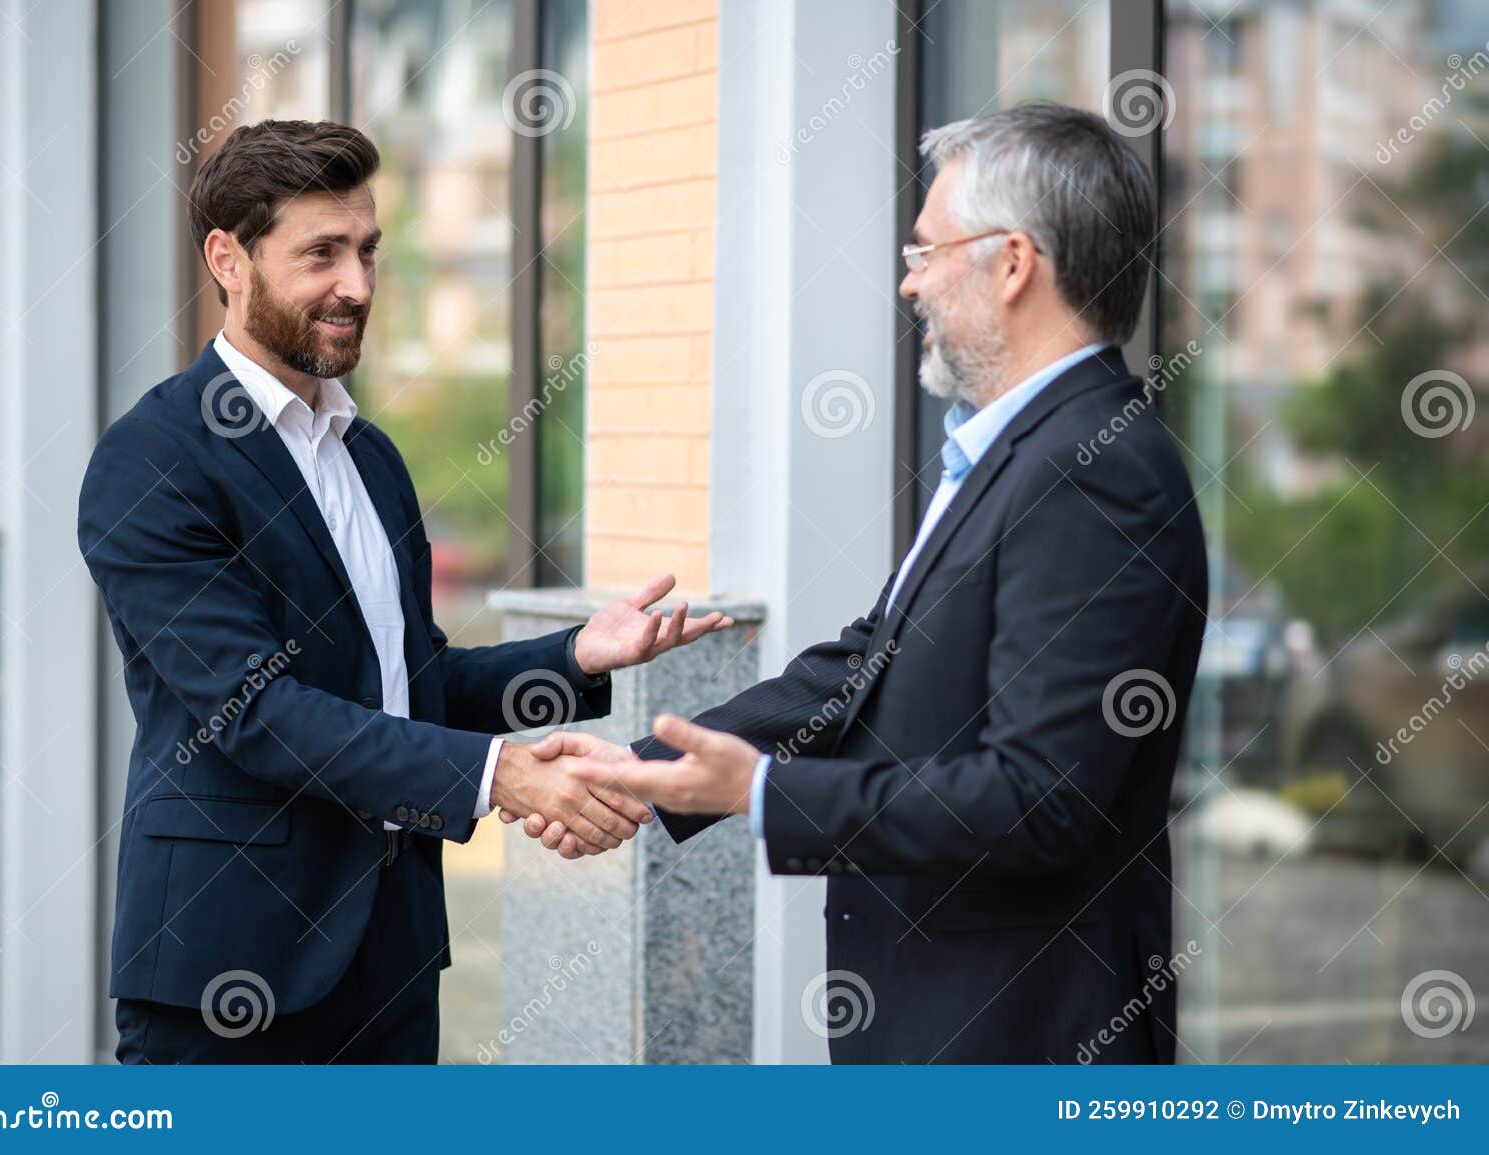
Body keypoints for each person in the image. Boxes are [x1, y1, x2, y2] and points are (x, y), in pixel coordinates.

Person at [508, 103, 1209, 1064]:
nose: (908, 281)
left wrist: (764, 791)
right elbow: (865, 665)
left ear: (1012, 264)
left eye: (926, 251)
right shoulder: (1021, 451)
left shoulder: (1092, 471)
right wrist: (646, 769)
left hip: (1019, 1037)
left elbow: (1041, 799)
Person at [78, 119, 730, 1063]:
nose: (358, 284)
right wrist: (500, 773)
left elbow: (404, 683)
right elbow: (255, 711)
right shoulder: (153, 459)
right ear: (228, 259)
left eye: (369, 250)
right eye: (322, 254)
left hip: (394, 956)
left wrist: (573, 654)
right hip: (230, 968)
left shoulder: (370, 457)